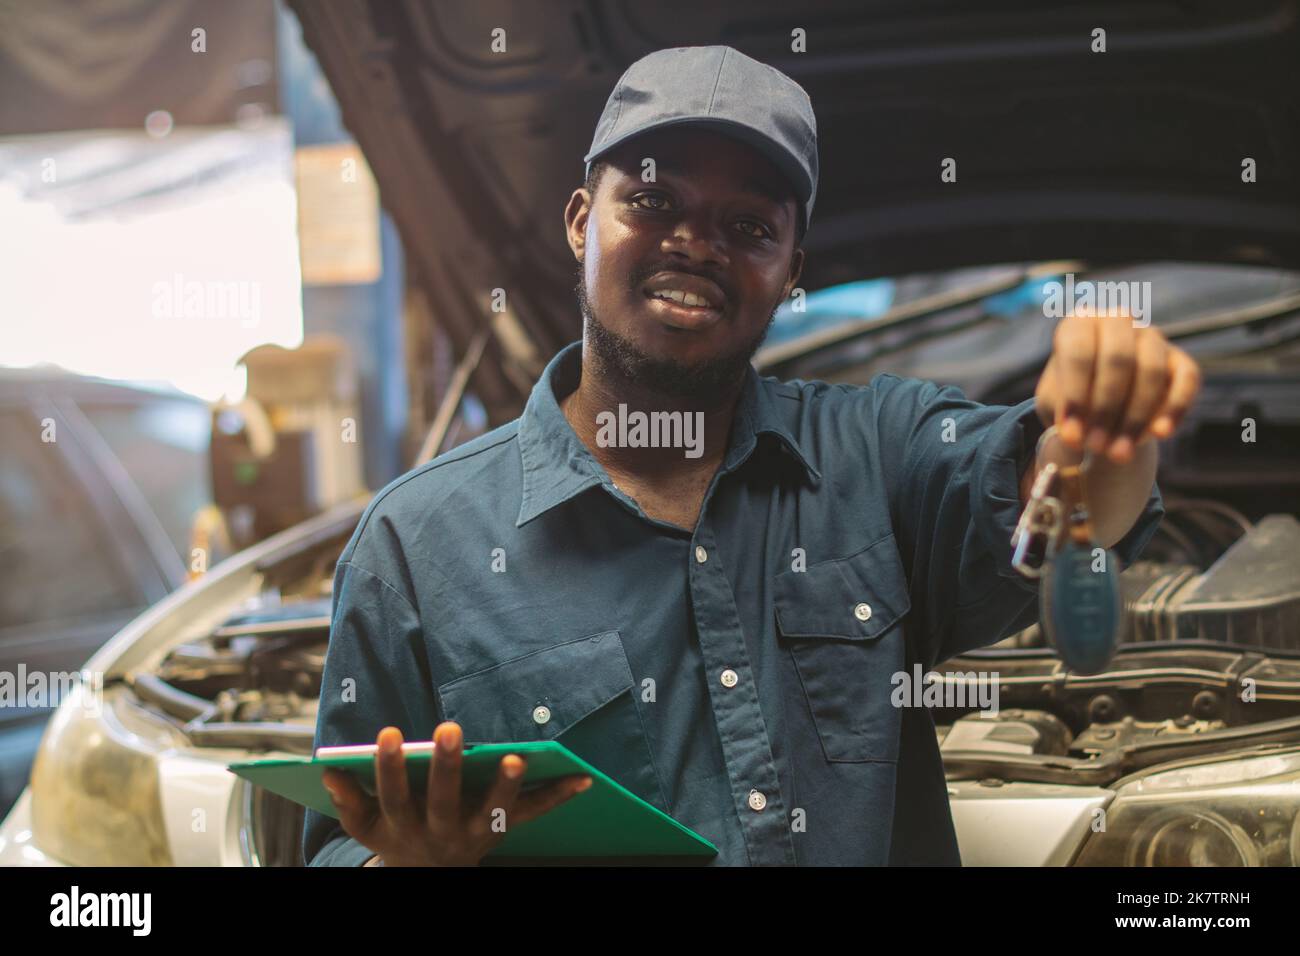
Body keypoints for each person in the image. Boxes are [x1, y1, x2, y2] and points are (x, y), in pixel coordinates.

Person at [304, 46, 1197, 866]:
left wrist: (1106, 431)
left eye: (750, 227)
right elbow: (336, 842)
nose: (698, 242)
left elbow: (1062, 501)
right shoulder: (415, 546)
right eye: (653, 203)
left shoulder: (878, 455)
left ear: (792, 268)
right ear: (582, 222)